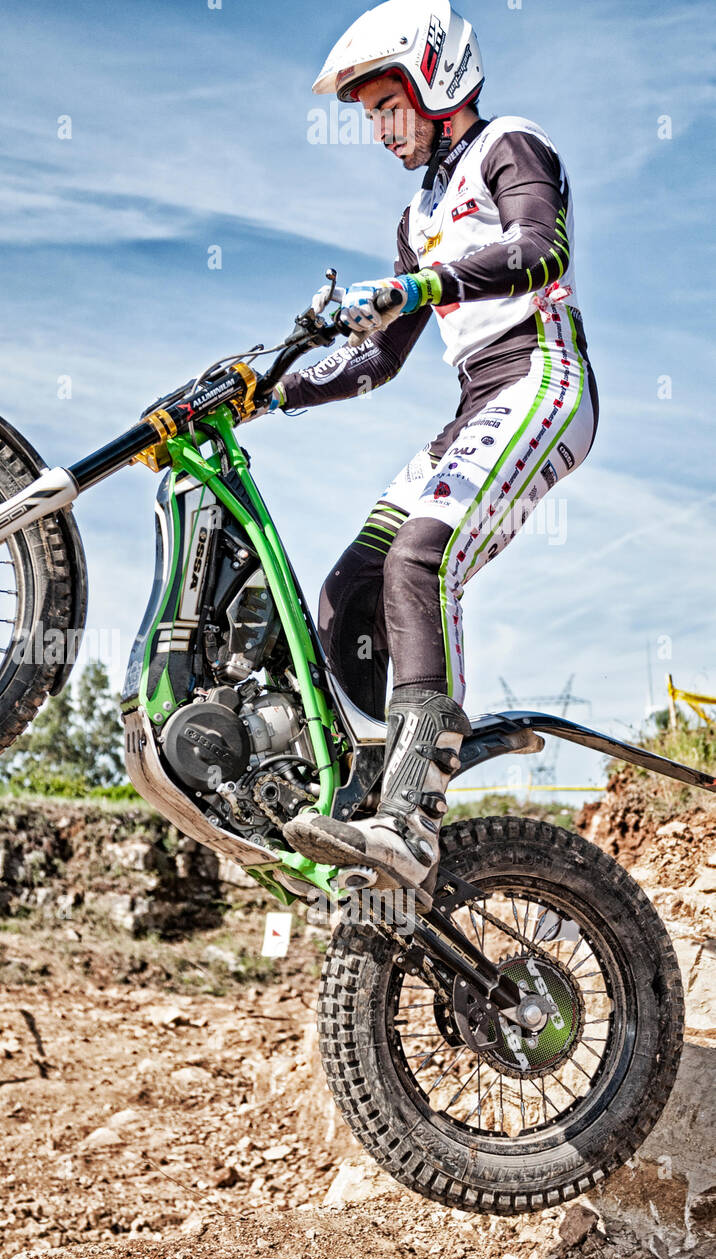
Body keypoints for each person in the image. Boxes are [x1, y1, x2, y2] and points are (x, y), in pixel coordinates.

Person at [280, 0, 598, 889]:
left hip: (540, 376)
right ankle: (374, 790)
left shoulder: (510, 145)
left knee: (422, 560)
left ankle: (416, 806)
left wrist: (421, 285)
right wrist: (278, 388)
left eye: (387, 107)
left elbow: (540, 251)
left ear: (436, 80)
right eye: (370, 115)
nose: (380, 130)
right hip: (473, 403)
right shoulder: (417, 214)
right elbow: (378, 361)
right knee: (351, 586)